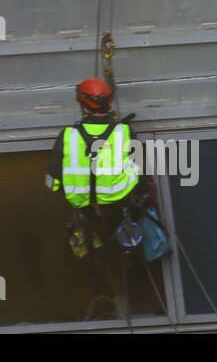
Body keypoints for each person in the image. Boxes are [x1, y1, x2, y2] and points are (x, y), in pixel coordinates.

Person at [46, 77, 152, 318]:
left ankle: (103, 302)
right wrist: (142, 193)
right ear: (108, 103)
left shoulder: (67, 136)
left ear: (81, 104)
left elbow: (52, 183)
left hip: (86, 215)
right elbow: (142, 171)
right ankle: (135, 304)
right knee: (131, 259)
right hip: (121, 210)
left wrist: (73, 191)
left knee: (93, 260)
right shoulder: (124, 131)